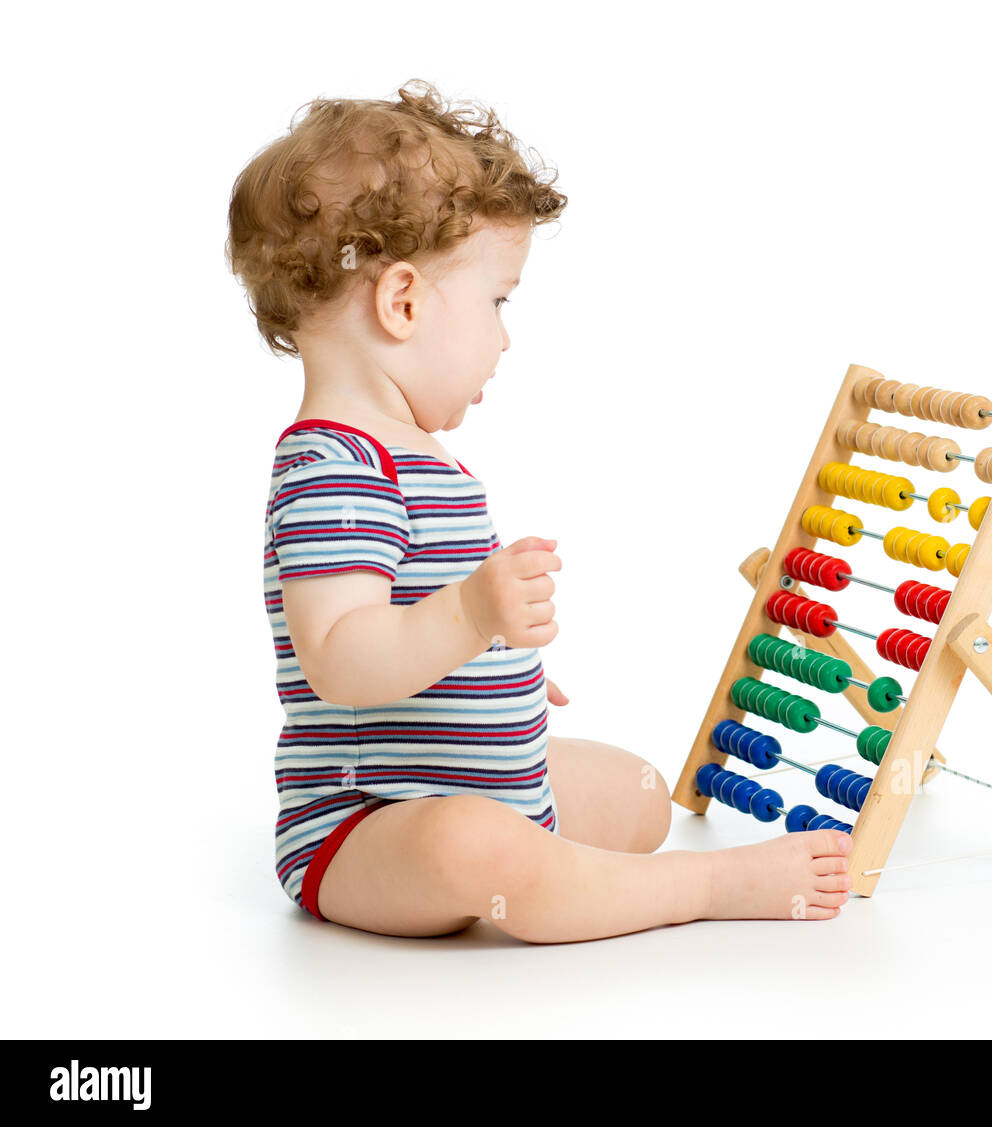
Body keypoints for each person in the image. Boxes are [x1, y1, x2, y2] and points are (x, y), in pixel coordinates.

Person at [228, 79, 852, 943]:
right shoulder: (334, 464)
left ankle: (569, 875)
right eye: (497, 301)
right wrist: (469, 615)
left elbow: (418, 623)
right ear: (402, 303)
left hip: (483, 780)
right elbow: (340, 660)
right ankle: (701, 888)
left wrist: (488, 663)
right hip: (365, 825)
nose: (506, 336)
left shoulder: (419, 451)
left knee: (640, 793)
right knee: (474, 845)